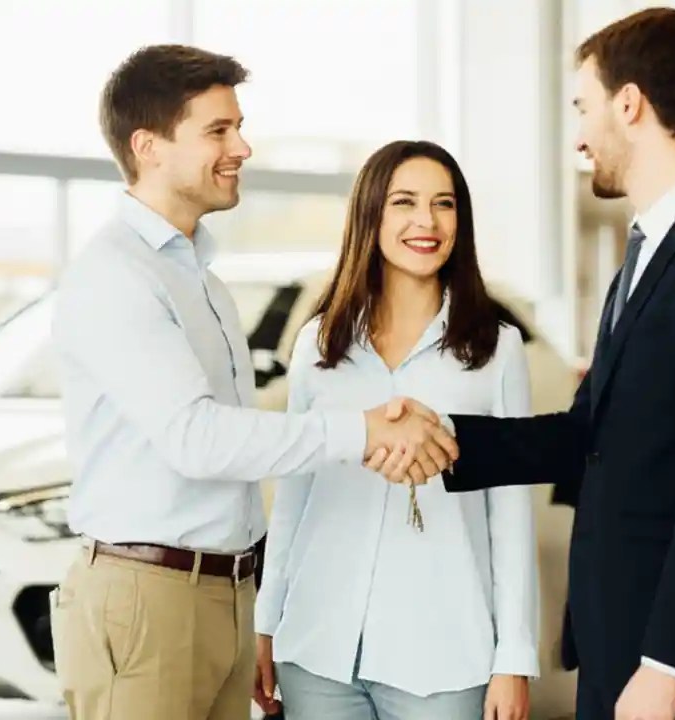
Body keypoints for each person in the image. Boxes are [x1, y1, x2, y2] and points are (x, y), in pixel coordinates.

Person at [373, 8, 675, 720]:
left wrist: (668, 664)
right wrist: (443, 435)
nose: (578, 135)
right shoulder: (651, 254)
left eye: (584, 106)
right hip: (622, 636)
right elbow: (588, 434)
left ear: (629, 104)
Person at [50, 45, 458, 720]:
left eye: (238, 126)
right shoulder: (117, 275)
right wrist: (362, 431)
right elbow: (198, 439)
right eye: (218, 130)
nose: (242, 146)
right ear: (147, 146)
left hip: (220, 593)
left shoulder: (200, 281)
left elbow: (237, 445)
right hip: (148, 598)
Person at [253, 141, 540, 720]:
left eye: (444, 204)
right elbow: (293, 498)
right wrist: (267, 623)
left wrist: (514, 657)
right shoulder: (319, 344)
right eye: (404, 202)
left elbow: (511, 516)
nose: (426, 222)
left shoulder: (497, 350)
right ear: (370, 216)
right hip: (318, 647)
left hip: (444, 657)